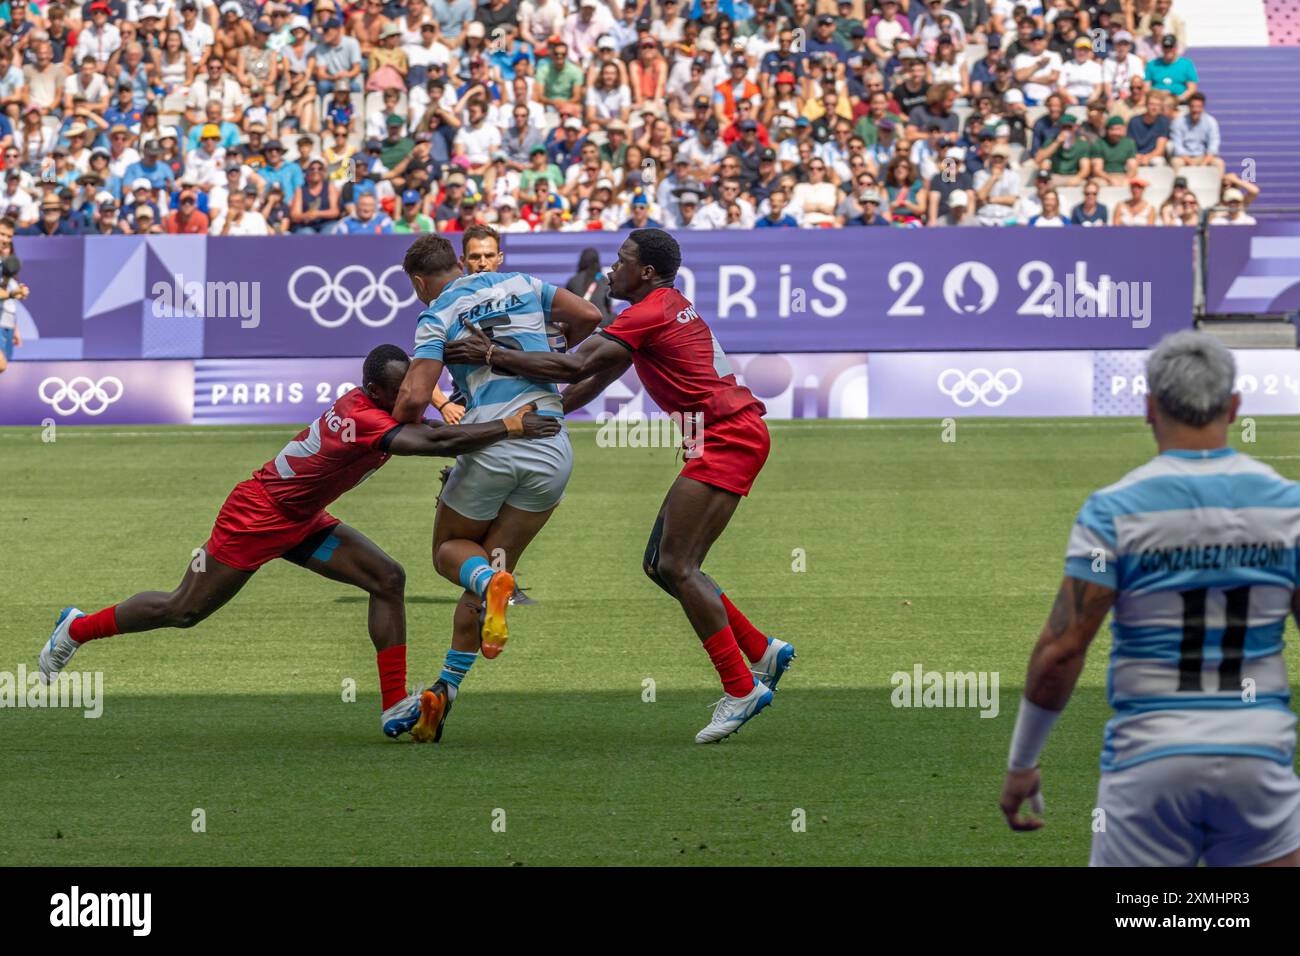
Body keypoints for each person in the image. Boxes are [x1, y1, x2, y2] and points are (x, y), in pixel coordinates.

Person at [38, 345, 560, 739]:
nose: (412, 399)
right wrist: (508, 426)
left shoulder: (384, 404)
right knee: (184, 610)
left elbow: (435, 420)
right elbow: (433, 441)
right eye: (403, 393)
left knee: (387, 578)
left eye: (414, 392)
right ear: (377, 392)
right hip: (258, 515)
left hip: (302, 517)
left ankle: (394, 702)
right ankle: (77, 629)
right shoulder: (362, 416)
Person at [444, 228, 796, 744]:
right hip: (726, 434)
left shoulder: (647, 312)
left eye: (622, 260)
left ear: (646, 273)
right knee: (662, 565)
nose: (613, 269)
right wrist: (543, 413)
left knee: (676, 565)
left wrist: (493, 355)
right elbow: (597, 378)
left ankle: (741, 688)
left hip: (726, 437)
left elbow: (572, 365)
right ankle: (761, 650)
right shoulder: (661, 308)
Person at [999, 331, 1300, 867]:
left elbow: (1063, 649)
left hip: (1149, 762)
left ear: (1147, 408)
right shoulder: (1289, 509)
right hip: (1258, 758)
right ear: (1234, 407)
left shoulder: (1112, 512)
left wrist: (1023, 760)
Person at [390, 235, 602, 744]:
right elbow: (591, 317)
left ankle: (491, 587)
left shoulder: (435, 314)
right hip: (551, 442)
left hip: (494, 441)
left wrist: (397, 420)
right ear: (460, 264)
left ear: (420, 282)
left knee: (449, 553)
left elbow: (413, 399)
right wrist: (547, 351)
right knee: (488, 567)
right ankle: (446, 690)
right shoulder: (521, 282)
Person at [565, 246, 615, 325]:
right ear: (597, 262)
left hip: (579, 325)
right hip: (601, 324)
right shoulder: (604, 280)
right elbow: (609, 308)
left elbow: (566, 307)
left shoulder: (573, 281)